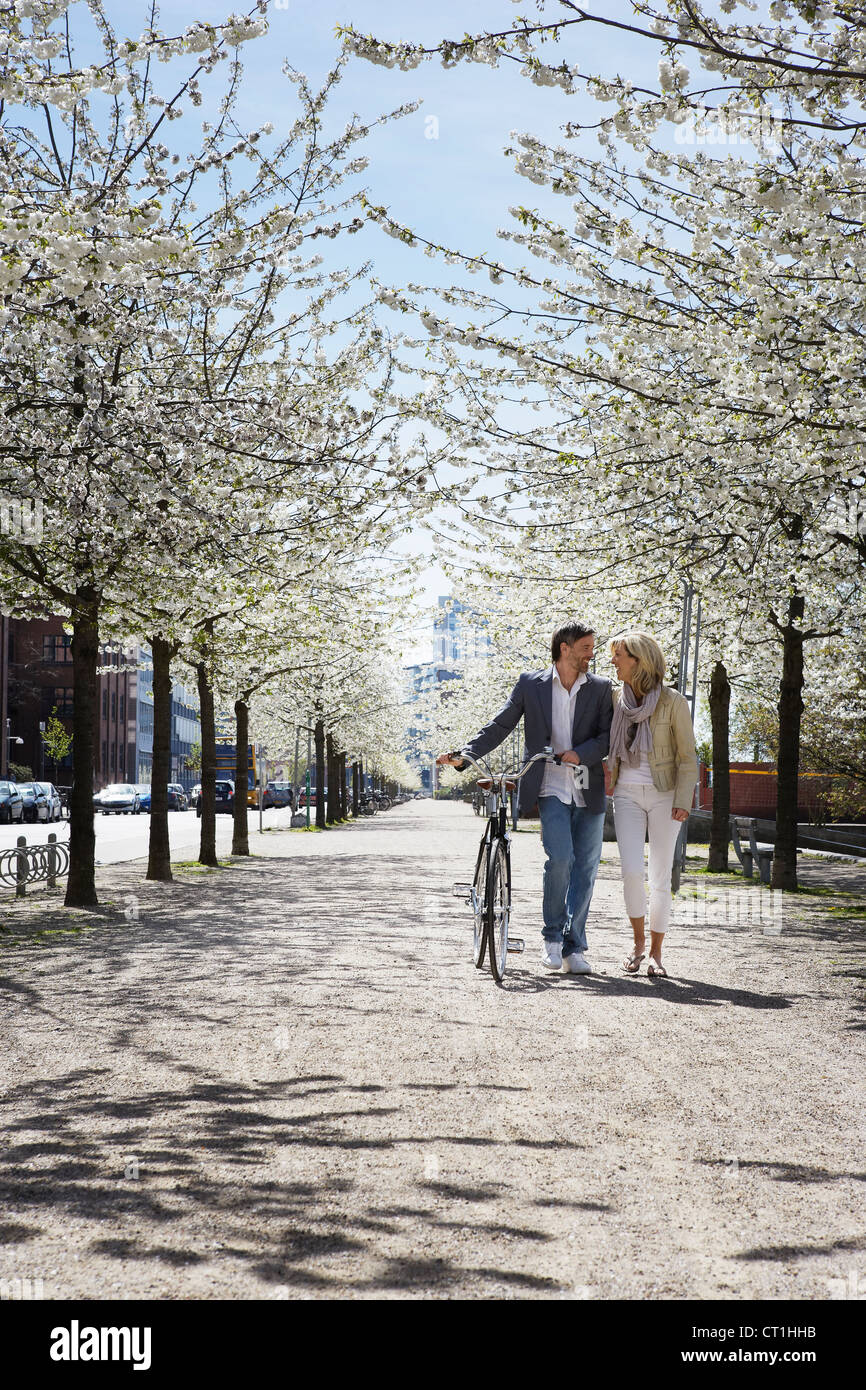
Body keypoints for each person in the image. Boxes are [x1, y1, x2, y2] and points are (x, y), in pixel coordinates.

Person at [437, 620, 612, 975]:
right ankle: (551, 939)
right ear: (564, 648)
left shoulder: (601, 688)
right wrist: (465, 754)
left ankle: (574, 946)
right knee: (561, 859)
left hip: (587, 784)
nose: (591, 654)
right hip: (548, 783)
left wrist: (582, 753)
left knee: (587, 867)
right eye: (585, 648)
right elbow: (501, 725)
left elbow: (607, 737)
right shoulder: (530, 685)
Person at [608, 632, 698, 979]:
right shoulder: (617, 698)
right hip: (627, 793)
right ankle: (637, 944)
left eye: (619, 655)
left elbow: (688, 758)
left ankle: (657, 953)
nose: (614, 661)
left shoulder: (673, 702)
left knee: (659, 877)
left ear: (638, 659)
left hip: (665, 795)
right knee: (631, 871)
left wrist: (683, 801)